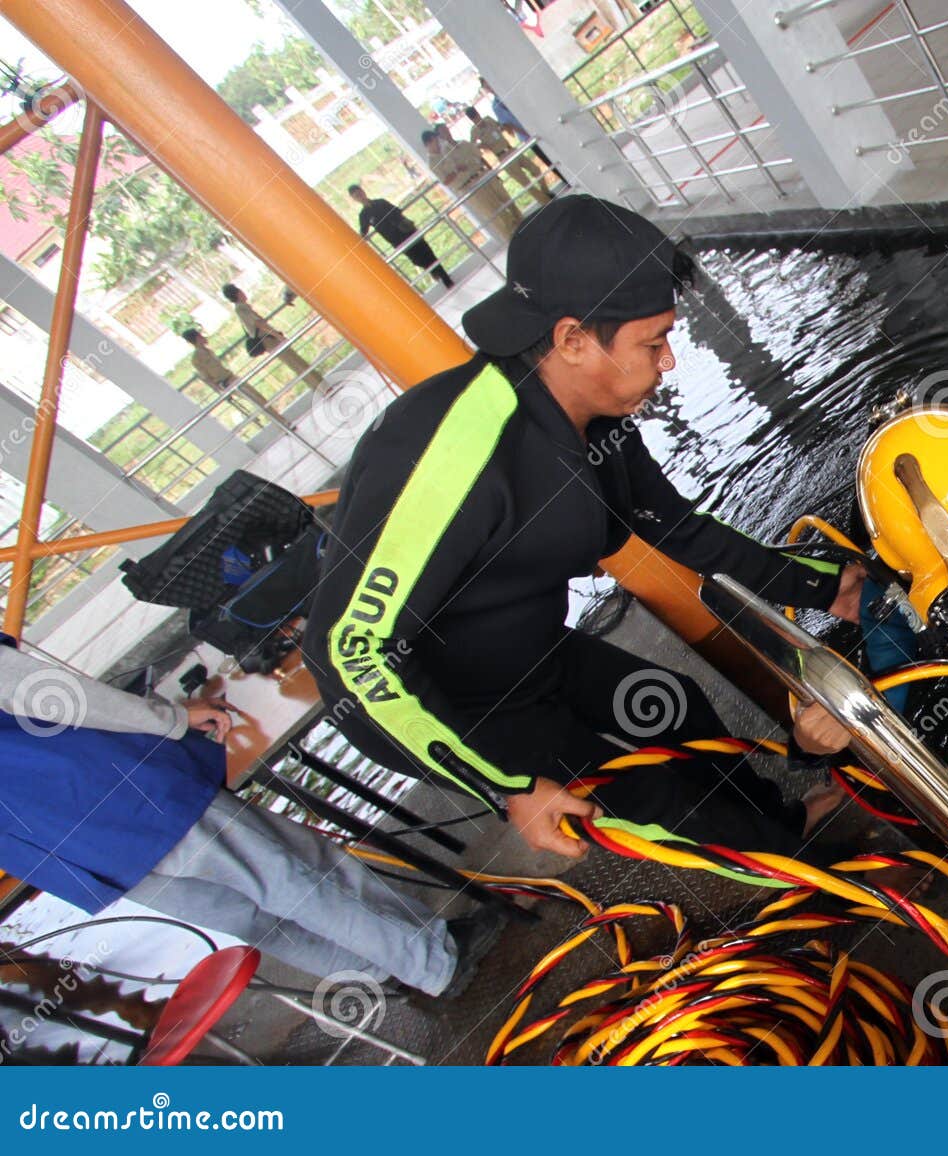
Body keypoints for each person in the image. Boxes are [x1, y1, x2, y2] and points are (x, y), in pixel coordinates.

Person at [303, 195, 865, 863]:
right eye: (652, 343)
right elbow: (349, 651)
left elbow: (678, 528)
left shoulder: (593, 420)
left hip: (530, 649)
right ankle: (827, 885)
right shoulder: (449, 453)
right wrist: (507, 785)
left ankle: (783, 823)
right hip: (455, 704)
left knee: (674, 705)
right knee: (659, 810)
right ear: (572, 339)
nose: (668, 362)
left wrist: (826, 585)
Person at [0, 637, 503, 999]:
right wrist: (174, 717)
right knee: (298, 875)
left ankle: (377, 971)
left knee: (248, 914)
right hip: (120, 799)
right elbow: (56, 695)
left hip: (65, 851)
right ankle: (436, 962)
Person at [421, 127, 520, 246]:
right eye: (435, 140)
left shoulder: (446, 151)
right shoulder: (432, 163)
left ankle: (518, 226)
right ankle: (511, 240)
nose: (438, 143)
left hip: (476, 178)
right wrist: (456, 171)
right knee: (493, 214)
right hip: (466, 187)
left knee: (501, 204)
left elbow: (476, 157)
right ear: (429, 143)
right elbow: (445, 181)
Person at [220, 283, 324, 391]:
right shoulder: (240, 309)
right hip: (268, 339)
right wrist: (277, 336)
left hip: (269, 338)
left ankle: (320, 385)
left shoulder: (242, 307)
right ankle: (319, 386)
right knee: (295, 363)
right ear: (237, 293)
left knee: (296, 361)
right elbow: (259, 324)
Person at [348, 183, 455, 289]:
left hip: (407, 231)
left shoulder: (380, 202)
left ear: (363, 191)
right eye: (356, 196)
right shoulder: (363, 215)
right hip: (396, 240)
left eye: (360, 193)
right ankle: (435, 272)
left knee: (428, 253)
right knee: (417, 260)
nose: (360, 196)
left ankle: (446, 280)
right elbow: (363, 231)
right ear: (354, 199)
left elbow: (397, 211)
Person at [180, 327, 279, 415]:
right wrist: (221, 392)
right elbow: (207, 378)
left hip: (232, 377)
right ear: (197, 338)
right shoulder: (197, 359)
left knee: (258, 397)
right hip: (226, 382)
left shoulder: (208, 351)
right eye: (201, 336)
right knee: (255, 400)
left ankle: (278, 417)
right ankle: (277, 419)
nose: (204, 337)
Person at [463, 107, 550, 205]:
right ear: (470, 119)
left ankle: (545, 191)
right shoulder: (474, 131)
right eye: (473, 117)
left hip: (511, 149)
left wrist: (505, 127)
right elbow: (472, 147)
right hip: (502, 156)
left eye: (476, 114)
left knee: (535, 169)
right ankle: (545, 201)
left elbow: (500, 126)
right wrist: (480, 145)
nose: (476, 117)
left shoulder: (488, 119)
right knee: (525, 182)